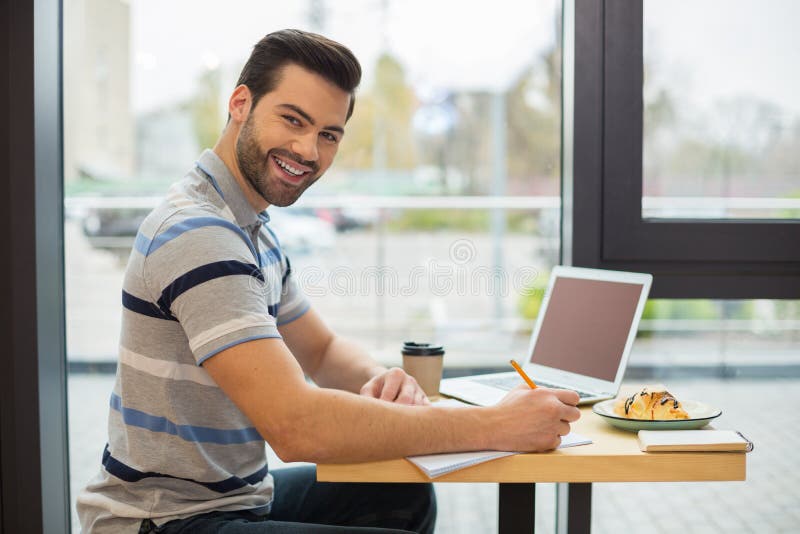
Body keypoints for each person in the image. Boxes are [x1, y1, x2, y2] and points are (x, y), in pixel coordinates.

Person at [77, 29, 581, 534]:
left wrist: (379, 380)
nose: (307, 149)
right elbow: (296, 427)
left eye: (328, 134)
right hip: (163, 520)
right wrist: (496, 425)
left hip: (234, 500)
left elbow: (320, 352)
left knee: (401, 498)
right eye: (292, 120)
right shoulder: (199, 233)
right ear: (240, 104)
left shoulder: (251, 230)